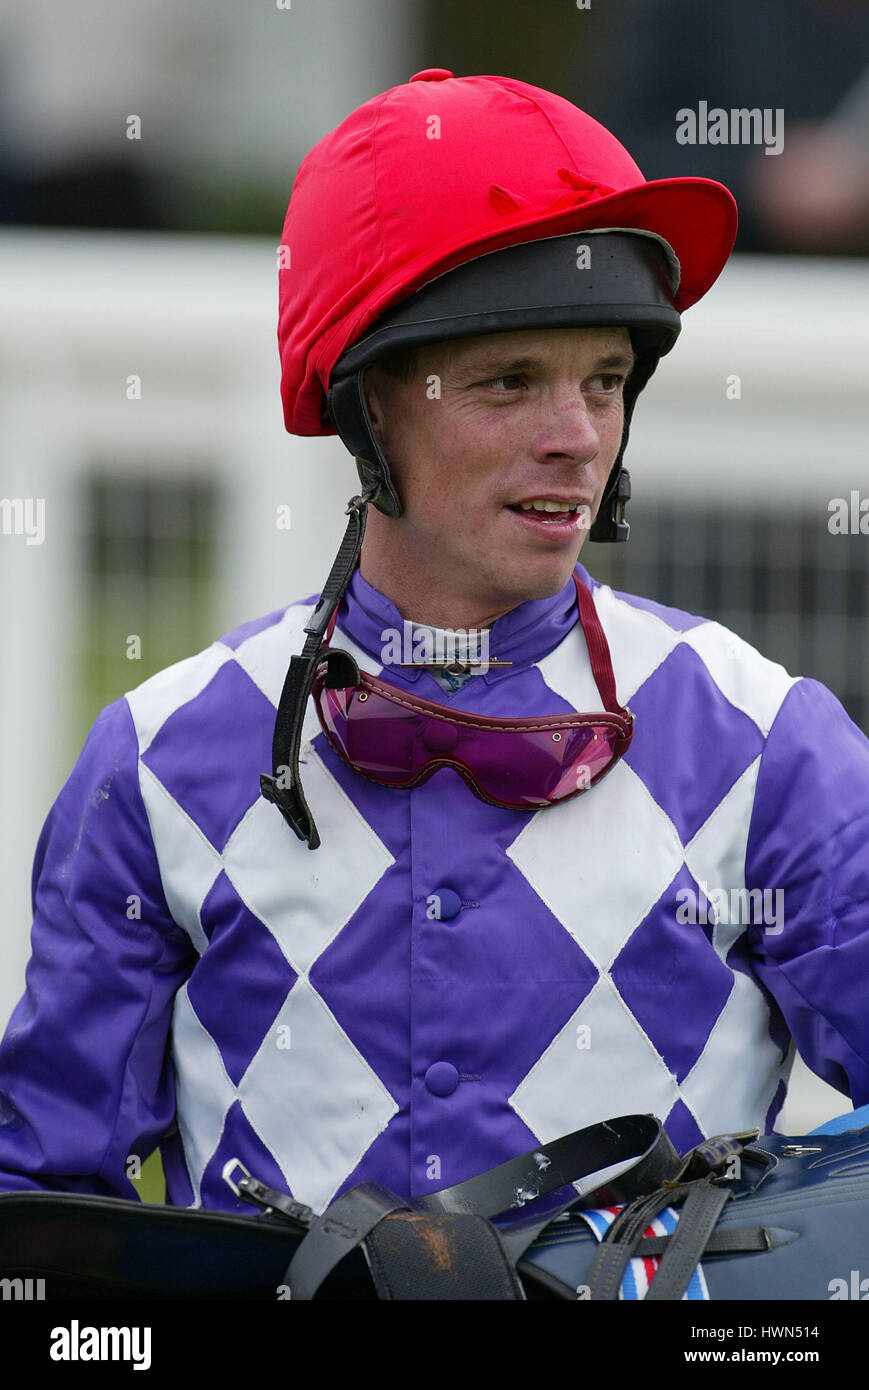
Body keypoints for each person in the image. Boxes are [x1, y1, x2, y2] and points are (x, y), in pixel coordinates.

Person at [1, 71, 868, 1220]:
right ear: (366, 408)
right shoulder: (156, 761)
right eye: (508, 382)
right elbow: (48, 1210)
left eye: (604, 381)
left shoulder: (771, 745)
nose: (574, 439)